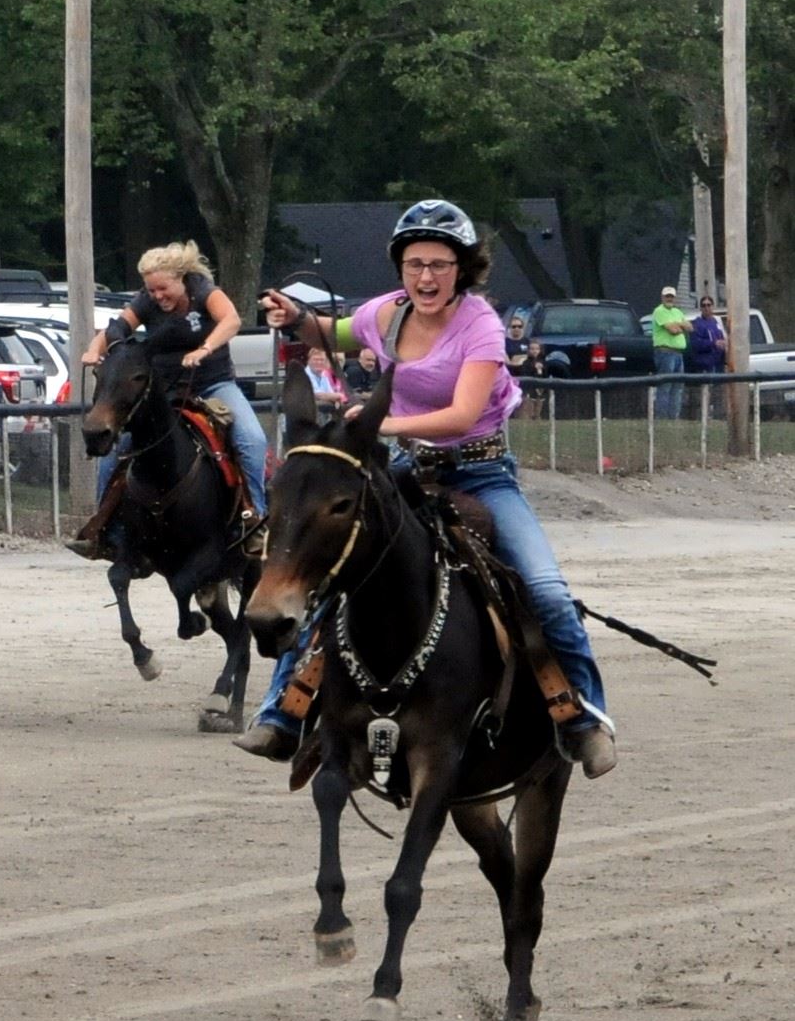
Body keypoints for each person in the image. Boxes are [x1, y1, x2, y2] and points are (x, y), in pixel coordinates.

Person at [236, 198, 616, 779]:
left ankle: (584, 719)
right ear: (400, 267)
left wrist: (378, 423)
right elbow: (332, 332)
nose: (426, 277)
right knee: (330, 567)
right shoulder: (386, 314)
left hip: (482, 472)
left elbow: (463, 414)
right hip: (406, 471)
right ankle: (282, 715)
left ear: (462, 268)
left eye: (439, 264)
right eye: (415, 264)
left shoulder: (481, 325)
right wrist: (295, 316)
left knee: (545, 589)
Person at [66, 239, 265, 557]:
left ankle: (254, 520)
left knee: (251, 439)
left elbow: (231, 320)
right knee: (116, 451)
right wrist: (93, 350)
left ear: (181, 279)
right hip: (165, 392)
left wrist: (204, 349)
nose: (158, 297)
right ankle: (104, 528)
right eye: (152, 291)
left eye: (163, 289)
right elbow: (117, 328)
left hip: (213, 386)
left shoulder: (204, 292)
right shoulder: (147, 301)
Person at [651, 286, 692, 419]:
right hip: (665, 353)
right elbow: (673, 330)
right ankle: (662, 418)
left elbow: (690, 327)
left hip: (678, 353)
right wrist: (681, 326)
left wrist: (677, 325)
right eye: (667, 296)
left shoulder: (678, 312)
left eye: (671, 296)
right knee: (665, 386)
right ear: (662, 297)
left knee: (678, 387)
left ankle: (674, 418)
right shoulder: (659, 311)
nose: (669, 299)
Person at [686, 295, 728, 378]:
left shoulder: (717, 321)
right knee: (707, 390)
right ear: (700, 308)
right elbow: (696, 344)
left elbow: (724, 338)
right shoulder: (697, 323)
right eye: (703, 305)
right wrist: (714, 343)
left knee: (719, 390)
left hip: (719, 364)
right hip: (705, 366)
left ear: (713, 307)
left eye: (709, 305)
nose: (706, 308)